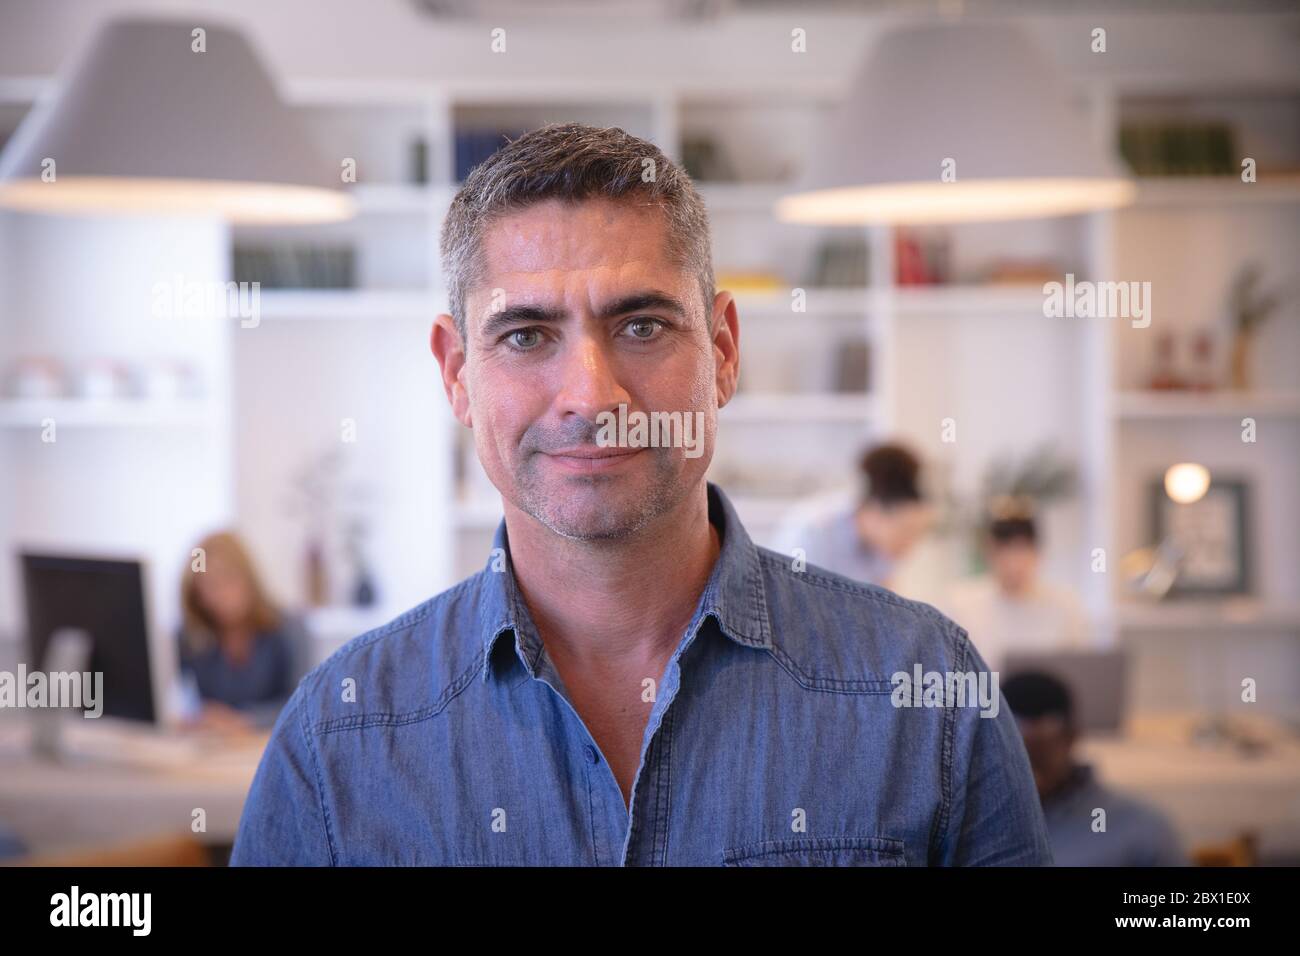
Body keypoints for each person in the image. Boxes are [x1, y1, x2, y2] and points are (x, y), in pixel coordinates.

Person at [231, 123, 1050, 866]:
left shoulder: (927, 693)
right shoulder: (336, 740)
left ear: (724, 351)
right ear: (457, 377)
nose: (591, 396)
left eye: (642, 326)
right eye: (525, 336)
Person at [1002, 671, 1184, 867]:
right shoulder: (974, 826)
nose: (1028, 774)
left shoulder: (1140, 830)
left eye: (1038, 756)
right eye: (1016, 756)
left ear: (1072, 737)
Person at [178, 531, 306, 733]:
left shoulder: (289, 627)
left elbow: (304, 705)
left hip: (271, 749)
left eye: (226, 579)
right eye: (207, 586)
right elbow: (167, 695)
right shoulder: (193, 635)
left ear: (248, 577)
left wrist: (243, 721)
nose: (218, 595)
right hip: (212, 751)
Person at [945, 504, 1088, 672]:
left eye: (1022, 549)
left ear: (1037, 552)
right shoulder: (961, 605)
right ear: (989, 552)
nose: (1014, 563)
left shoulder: (1064, 605)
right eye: (1005, 550)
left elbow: (1079, 671)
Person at [771, 443, 931, 590]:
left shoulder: (882, 551)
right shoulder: (813, 531)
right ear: (875, 512)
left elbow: (886, 604)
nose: (910, 545)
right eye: (906, 531)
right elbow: (794, 602)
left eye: (917, 534)